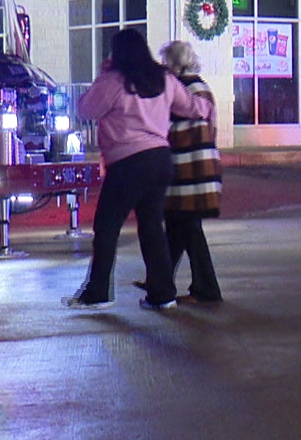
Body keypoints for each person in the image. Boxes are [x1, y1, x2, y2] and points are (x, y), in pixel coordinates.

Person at [63, 28, 210, 310]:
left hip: (128, 162)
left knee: (107, 227)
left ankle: (98, 293)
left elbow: (85, 110)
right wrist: (210, 111)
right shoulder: (164, 78)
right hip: (160, 160)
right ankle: (163, 294)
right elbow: (191, 106)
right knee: (152, 227)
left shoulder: (115, 81)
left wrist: (103, 75)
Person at [159, 40, 223, 304]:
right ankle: (161, 282)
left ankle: (206, 288)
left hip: (188, 173)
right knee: (178, 228)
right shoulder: (202, 87)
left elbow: (172, 131)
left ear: (175, 63)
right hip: (202, 168)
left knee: (186, 228)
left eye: (167, 62)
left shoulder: (180, 89)